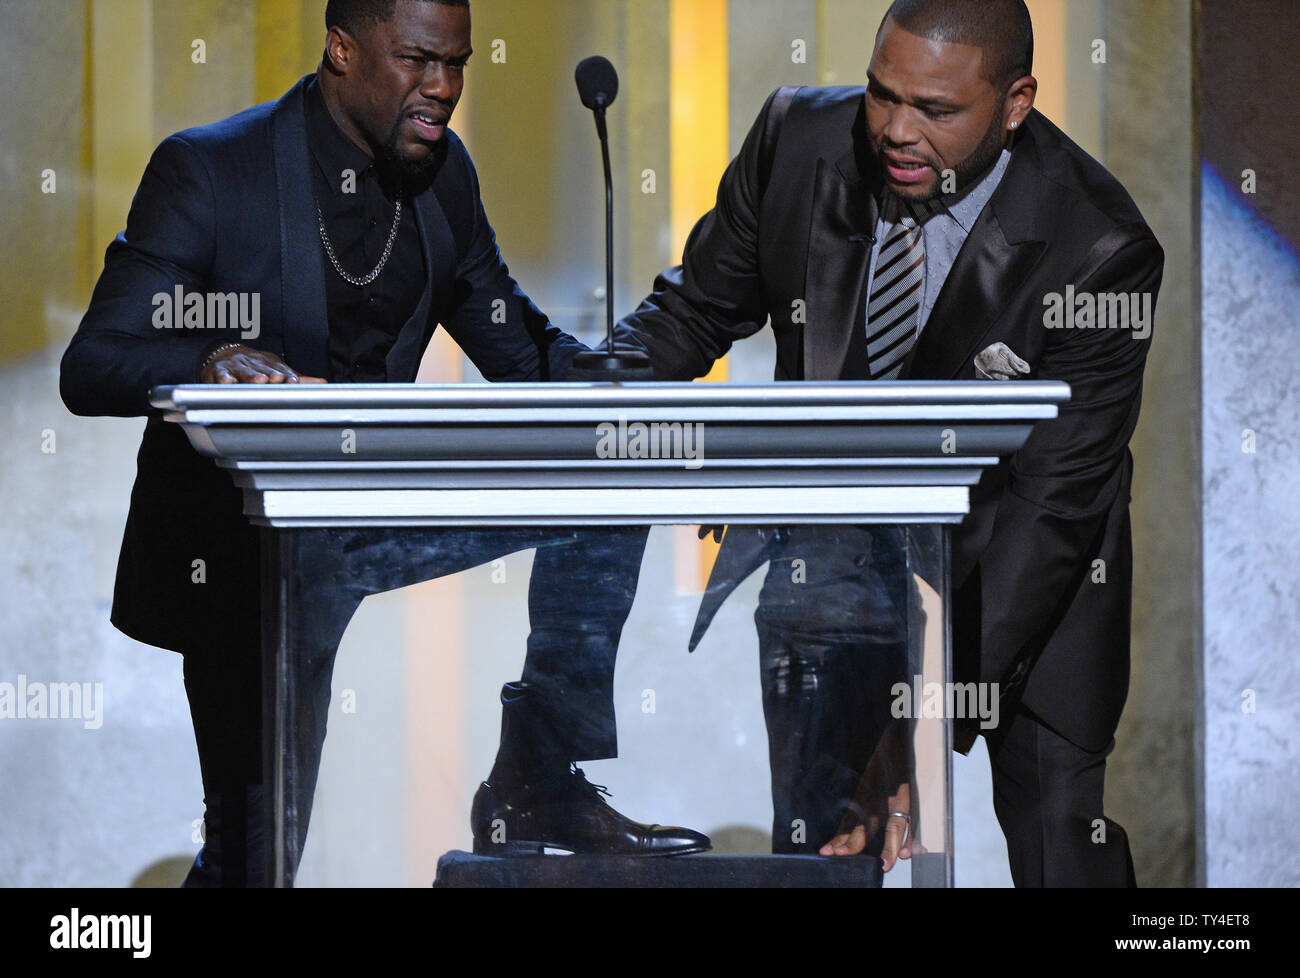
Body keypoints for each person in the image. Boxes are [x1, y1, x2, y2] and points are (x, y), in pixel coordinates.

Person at [59, 0, 707, 886]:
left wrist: (647, 417)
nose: (441, 88)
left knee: (601, 488)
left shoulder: (443, 176)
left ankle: (539, 774)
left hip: (371, 520)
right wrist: (209, 356)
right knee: (260, 851)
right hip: (244, 553)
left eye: (457, 64)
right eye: (416, 61)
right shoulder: (212, 171)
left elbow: (519, 349)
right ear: (341, 48)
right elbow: (93, 363)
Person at [614, 0, 1162, 886]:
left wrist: (920, 732)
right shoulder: (800, 139)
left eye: (936, 111)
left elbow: (1053, 507)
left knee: (1066, 853)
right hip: (830, 577)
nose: (897, 131)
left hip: (1018, 581)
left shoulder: (1098, 246)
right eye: (882, 95)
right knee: (830, 847)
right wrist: (590, 399)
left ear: (1016, 101)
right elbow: (693, 309)